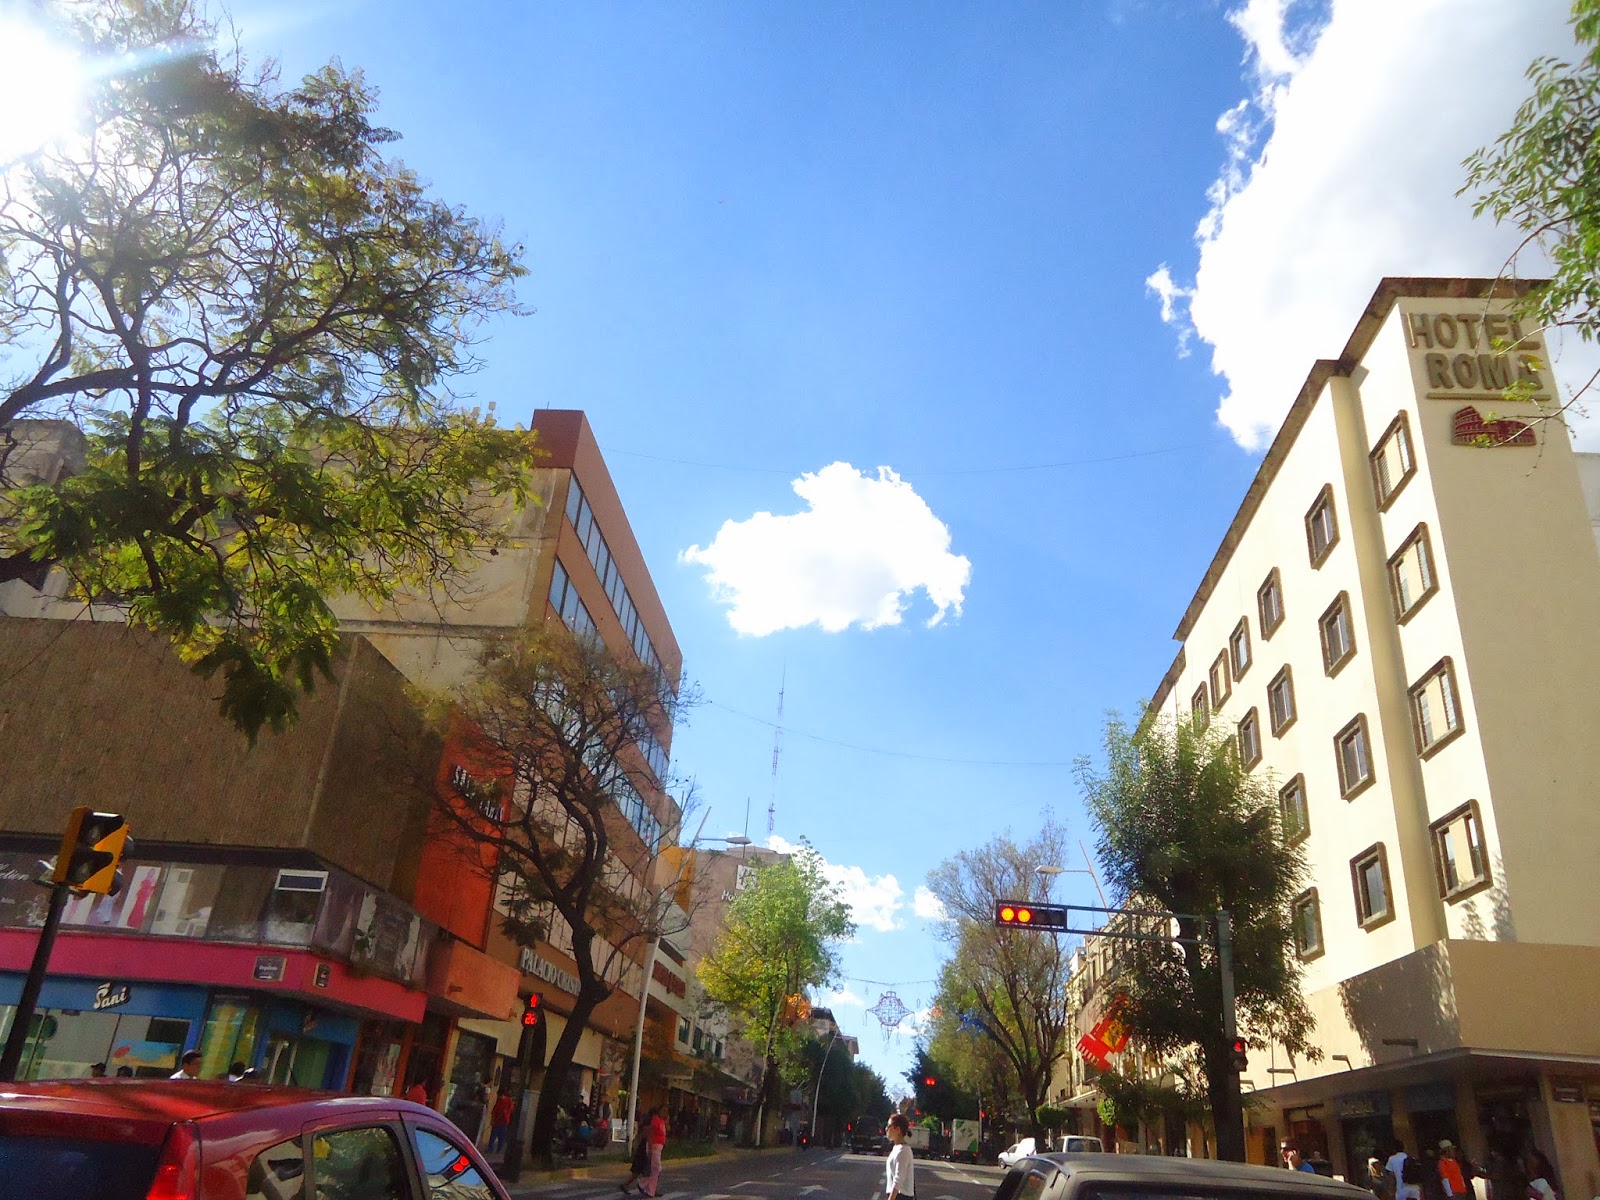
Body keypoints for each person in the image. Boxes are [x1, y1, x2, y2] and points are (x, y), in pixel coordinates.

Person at [885, 1113, 916, 1200]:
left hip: (901, 1196)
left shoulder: (903, 1151)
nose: (886, 1129)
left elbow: (899, 1179)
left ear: (898, 1129)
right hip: (897, 1195)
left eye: (889, 1126)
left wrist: (891, 1198)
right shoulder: (897, 1148)